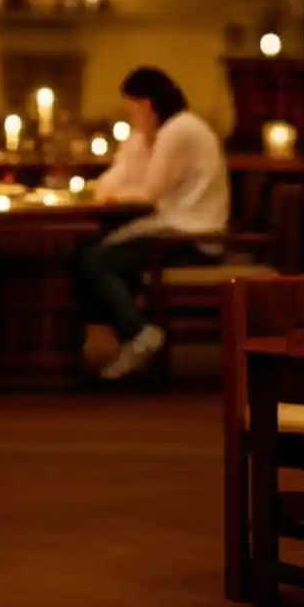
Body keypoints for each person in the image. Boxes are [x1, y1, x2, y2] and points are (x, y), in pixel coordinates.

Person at [79, 67, 230, 380]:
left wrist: (112, 194)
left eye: (131, 108)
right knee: (95, 252)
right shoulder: (167, 131)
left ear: (146, 105)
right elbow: (125, 178)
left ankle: (139, 335)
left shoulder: (178, 131)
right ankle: (136, 343)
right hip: (178, 230)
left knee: (95, 260)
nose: (130, 116)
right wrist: (135, 147)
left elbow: (149, 192)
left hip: (192, 237)